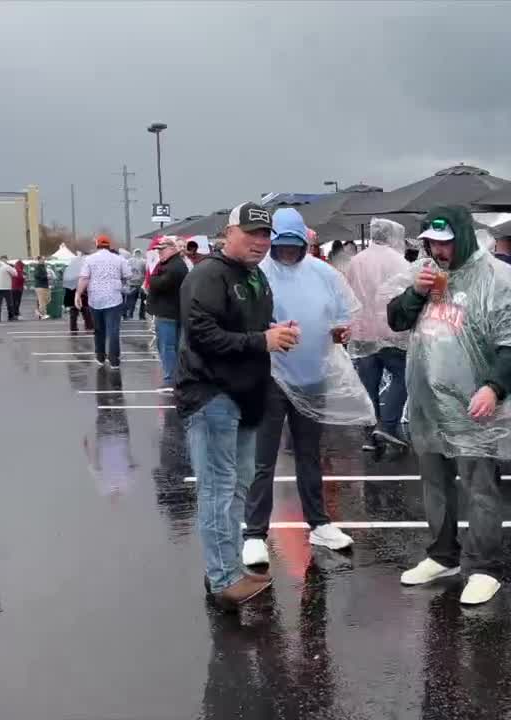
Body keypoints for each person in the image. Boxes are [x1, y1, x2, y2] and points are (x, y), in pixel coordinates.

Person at [385, 205, 511, 606]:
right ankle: (442, 554)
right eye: (430, 244)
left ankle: (483, 566)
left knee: (479, 486)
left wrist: (494, 387)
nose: (437, 252)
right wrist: (416, 292)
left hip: (474, 406)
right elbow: (395, 320)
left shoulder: (498, 279)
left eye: (444, 244)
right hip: (428, 404)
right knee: (434, 482)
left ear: (461, 236)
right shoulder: (426, 274)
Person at [175, 201, 300, 611]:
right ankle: (222, 579)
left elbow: (247, 329)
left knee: (237, 488)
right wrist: (261, 341)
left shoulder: (254, 277)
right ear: (229, 233)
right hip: (212, 396)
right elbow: (202, 333)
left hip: (247, 396)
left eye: (266, 235)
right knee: (217, 491)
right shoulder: (209, 275)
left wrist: (273, 331)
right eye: (252, 233)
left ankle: (227, 569)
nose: (261, 242)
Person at [241, 208, 360, 566]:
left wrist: (341, 332)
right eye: (282, 247)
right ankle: (254, 533)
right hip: (270, 379)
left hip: (312, 377)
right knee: (263, 460)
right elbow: (242, 322)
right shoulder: (256, 274)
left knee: (310, 455)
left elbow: (343, 315)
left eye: (295, 247)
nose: (289, 253)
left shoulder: (324, 274)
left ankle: (319, 523)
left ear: (305, 244)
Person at [347, 218, 412, 451]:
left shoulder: (355, 261)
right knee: (404, 377)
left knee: (369, 386)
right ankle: (388, 425)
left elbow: (349, 294)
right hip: (391, 332)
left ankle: (370, 435)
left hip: (362, 332)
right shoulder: (400, 261)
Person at [76, 235, 131, 369]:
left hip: (95, 299)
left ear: (97, 245)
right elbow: (128, 275)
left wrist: (78, 294)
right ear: (109, 245)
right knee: (113, 330)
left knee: (99, 329)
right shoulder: (119, 259)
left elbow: (84, 278)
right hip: (114, 298)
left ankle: (100, 356)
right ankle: (114, 359)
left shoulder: (89, 259)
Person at [146, 238, 188, 390]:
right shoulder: (171, 264)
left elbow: (159, 284)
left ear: (172, 249)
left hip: (168, 313)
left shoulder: (174, 266)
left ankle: (171, 378)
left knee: (167, 347)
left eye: (162, 250)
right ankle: (175, 377)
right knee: (171, 346)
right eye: (158, 250)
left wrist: (153, 277)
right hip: (171, 311)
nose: (159, 253)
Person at [62, 250, 93, 332]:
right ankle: (89, 325)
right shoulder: (83, 267)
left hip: (70, 289)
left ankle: (73, 327)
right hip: (80, 289)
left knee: (74, 309)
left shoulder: (69, 268)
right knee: (85, 308)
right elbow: (85, 278)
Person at [124, 249, 146, 319]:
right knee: (143, 301)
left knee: (131, 300)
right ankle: (141, 315)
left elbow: (126, 272)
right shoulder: (144, 261)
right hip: (141, 283)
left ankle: (130, 314)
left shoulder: (129, 261)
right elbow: (146, 272)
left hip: (132, 283)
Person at [32, 255, 51, 320]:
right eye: (43, 259)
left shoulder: (43, 267)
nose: (44, 260)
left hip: (45, 285)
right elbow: (36, 275)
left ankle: (38, 311)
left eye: (44, 259)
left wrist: (46, 276)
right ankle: (43, 314)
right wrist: (46, 276)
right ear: (39, 260)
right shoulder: (38, 267)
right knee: (42, 301)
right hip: (40, 286)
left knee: (48, 299)